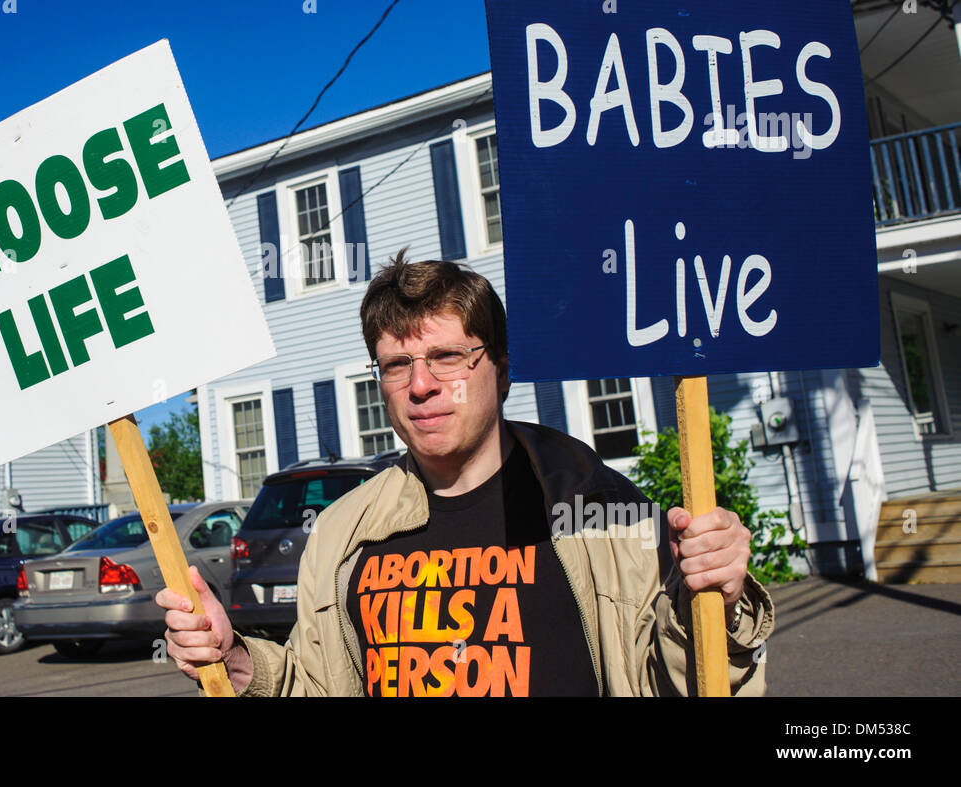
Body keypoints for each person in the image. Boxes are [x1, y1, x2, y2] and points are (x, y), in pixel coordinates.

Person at [156, 251, 774, 696]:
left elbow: (677, 681)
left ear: (500, 370)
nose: (421, 385)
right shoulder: (344, 534)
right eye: (397, 366)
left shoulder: (598, 504)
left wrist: (717, 600)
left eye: (447, 356)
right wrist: (235, 659)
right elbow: (317, 685)